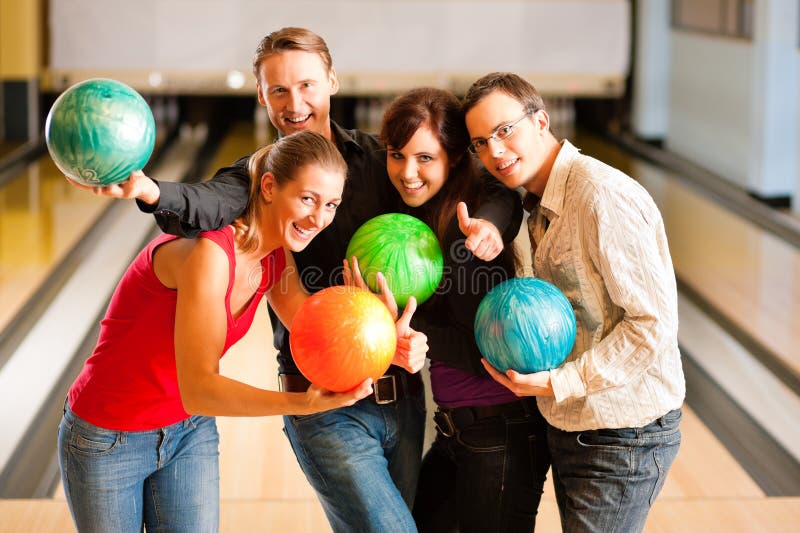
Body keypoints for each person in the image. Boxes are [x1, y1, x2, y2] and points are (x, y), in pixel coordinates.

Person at [69, 28, 518, 532]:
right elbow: (207, 204)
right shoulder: (254, 187)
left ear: (332, 80)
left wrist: (396, 333)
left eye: (306, 85)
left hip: (398, 397)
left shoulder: (383, 162)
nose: (294, 101)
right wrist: (152, 191)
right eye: (278, 89)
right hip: (315, 403)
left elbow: (482, 188)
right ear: (261, 95)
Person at [57, 130, 396, 532]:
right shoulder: (211, 254)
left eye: (331, 205)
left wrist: (369, 317)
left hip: (189, 430)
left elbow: (310, 326)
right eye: (307, 199)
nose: (319, 218)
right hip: (109, 436)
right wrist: (303, 404)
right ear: (269, 187)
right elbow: (199, 387)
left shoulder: (274, 255)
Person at [462, 72, 685, 533]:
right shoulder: (527, 205)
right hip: (569, 424)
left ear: (542, 120)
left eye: (505, 131)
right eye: (481, 143)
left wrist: (560, 382)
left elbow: (651, 324)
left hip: (624, 432)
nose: (495, 152)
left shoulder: (602, 196)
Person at [345, 87, 550, 532]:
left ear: (455, 158)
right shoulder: (418, 220)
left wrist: (395, 320)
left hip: (501, 428)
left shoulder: (468, 230)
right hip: (459, 429)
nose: (407, 172)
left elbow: (485, 350)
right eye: (397, 155)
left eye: (425, 158)